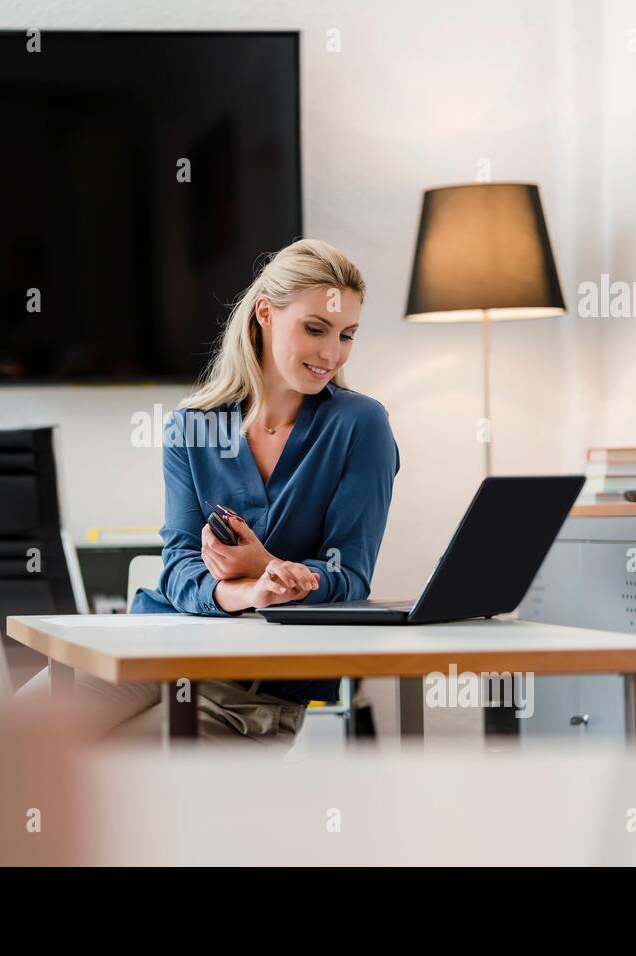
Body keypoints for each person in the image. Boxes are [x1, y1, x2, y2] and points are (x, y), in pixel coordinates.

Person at [26, 238, 400, 749]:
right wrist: (250, 590)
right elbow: (179, 565)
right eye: (315, 329)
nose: (331, 354)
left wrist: (270, 568)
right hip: (152, 651)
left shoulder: (361, 426)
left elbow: (350, 577)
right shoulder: (191, 426)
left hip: (251, 691)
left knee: (105, 778)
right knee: (4, 741)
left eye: (347, 335)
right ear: (265, 314)